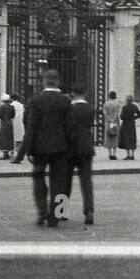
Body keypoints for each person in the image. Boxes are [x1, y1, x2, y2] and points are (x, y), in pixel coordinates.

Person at [25, 70, 73, 226]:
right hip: (60, 147)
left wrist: (28, 149)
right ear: (58, 82)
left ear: (43, 82)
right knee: (59, 181)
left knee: (38, 177)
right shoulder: (65, 101)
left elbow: (31, 127)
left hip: (40, 147)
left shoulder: (35, 100)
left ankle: (42, 212)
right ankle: (56, 216)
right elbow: (69, 128)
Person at [63, 86, 96, 226]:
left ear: (72, 94)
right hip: (86, 148)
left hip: (69, 149)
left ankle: (61, 212)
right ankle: (89, 211)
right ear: (85, 93)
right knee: (86, 182)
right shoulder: (90, 109)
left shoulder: (68, 109)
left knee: (63, 183)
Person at [119, 94, 140, 160]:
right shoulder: (135, 106)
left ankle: (128, 155)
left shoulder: (124, 107)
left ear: (126, 100)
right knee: (132, 139)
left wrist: (125, 118)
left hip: (125, 124)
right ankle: (132, 155)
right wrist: (134, 117)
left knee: (126, 139)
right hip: (132, 124)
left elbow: (121, 117)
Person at [102, 91, 122, 159]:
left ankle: (110, 153)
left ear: (109, 96)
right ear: (115, 96)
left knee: (108, 137)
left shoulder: (106, 103)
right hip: (115, 122)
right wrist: (113, 119)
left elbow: (104, 113)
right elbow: (117, 112)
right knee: (115, 137)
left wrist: (110, 119)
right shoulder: (117, 104)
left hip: (108, 122)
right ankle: (114, 153)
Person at [0, 94, 17, 161]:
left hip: (4, 122)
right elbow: (13, 116)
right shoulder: (12, 107)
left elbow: (0, 116)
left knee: (3, 137)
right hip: (10, 122)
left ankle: (5, 153)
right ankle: (10, 151)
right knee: (10, 137)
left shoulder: (1, 107)